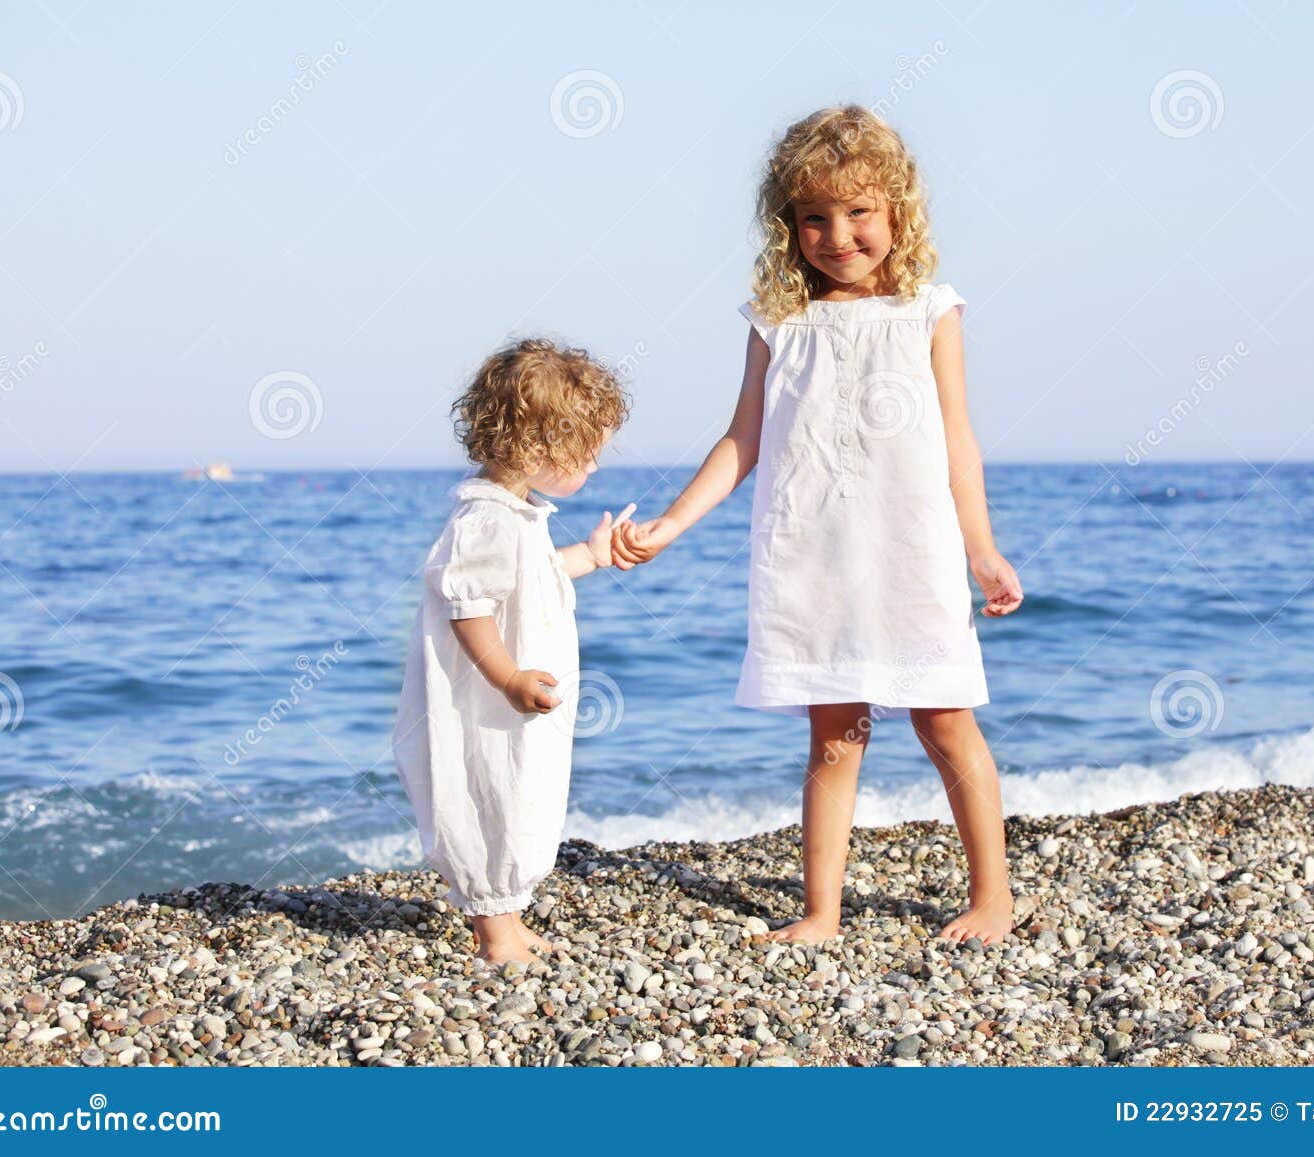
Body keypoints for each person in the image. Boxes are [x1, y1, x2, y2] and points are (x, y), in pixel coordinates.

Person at [612, 105, 1024, 945]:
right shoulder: (780, 323)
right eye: (814, 217)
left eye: (858, 211)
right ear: (788, 225)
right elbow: (743, 440)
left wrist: (981, 548)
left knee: (944, 721)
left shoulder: (929, 310)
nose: (838, 235)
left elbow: (958, 442)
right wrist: (671, 523)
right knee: (834, 736)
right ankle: (821, 910)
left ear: (898, 211)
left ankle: (994, 895)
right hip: (814, 556)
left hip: (912, 552)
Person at [393, 336, 632, 965]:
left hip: (513, 692)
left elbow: (528, 578)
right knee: (488, 787)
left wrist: (592, 556)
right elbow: (467, 606)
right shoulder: (487, 520)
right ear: (539, 447)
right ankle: (494, 929)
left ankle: (508, 915)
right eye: (589, 453)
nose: (596, 468)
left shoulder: (514, 512)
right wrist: (507, 677)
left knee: (520, 788)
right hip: (490, 694)